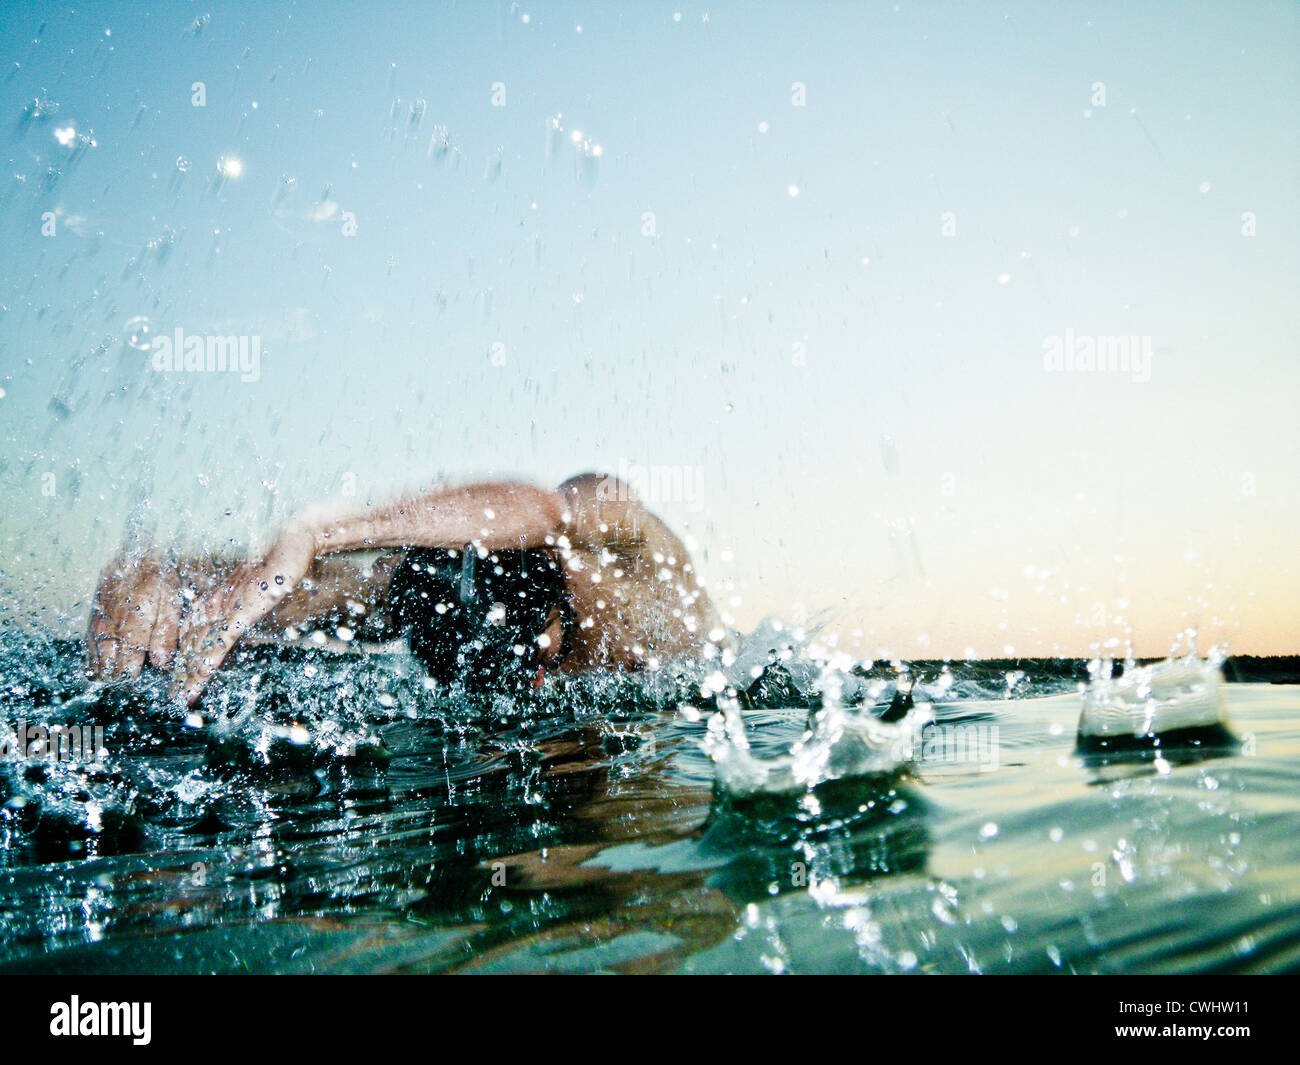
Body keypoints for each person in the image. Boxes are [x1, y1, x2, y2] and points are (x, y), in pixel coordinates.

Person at [86, 473, 724, 704]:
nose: (527, 679)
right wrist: (150, 579)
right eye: (472, 677)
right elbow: (248, 599)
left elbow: (547, 507)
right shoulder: (418, 591)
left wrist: (320, 529)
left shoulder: (637, 559)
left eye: (527, 652)